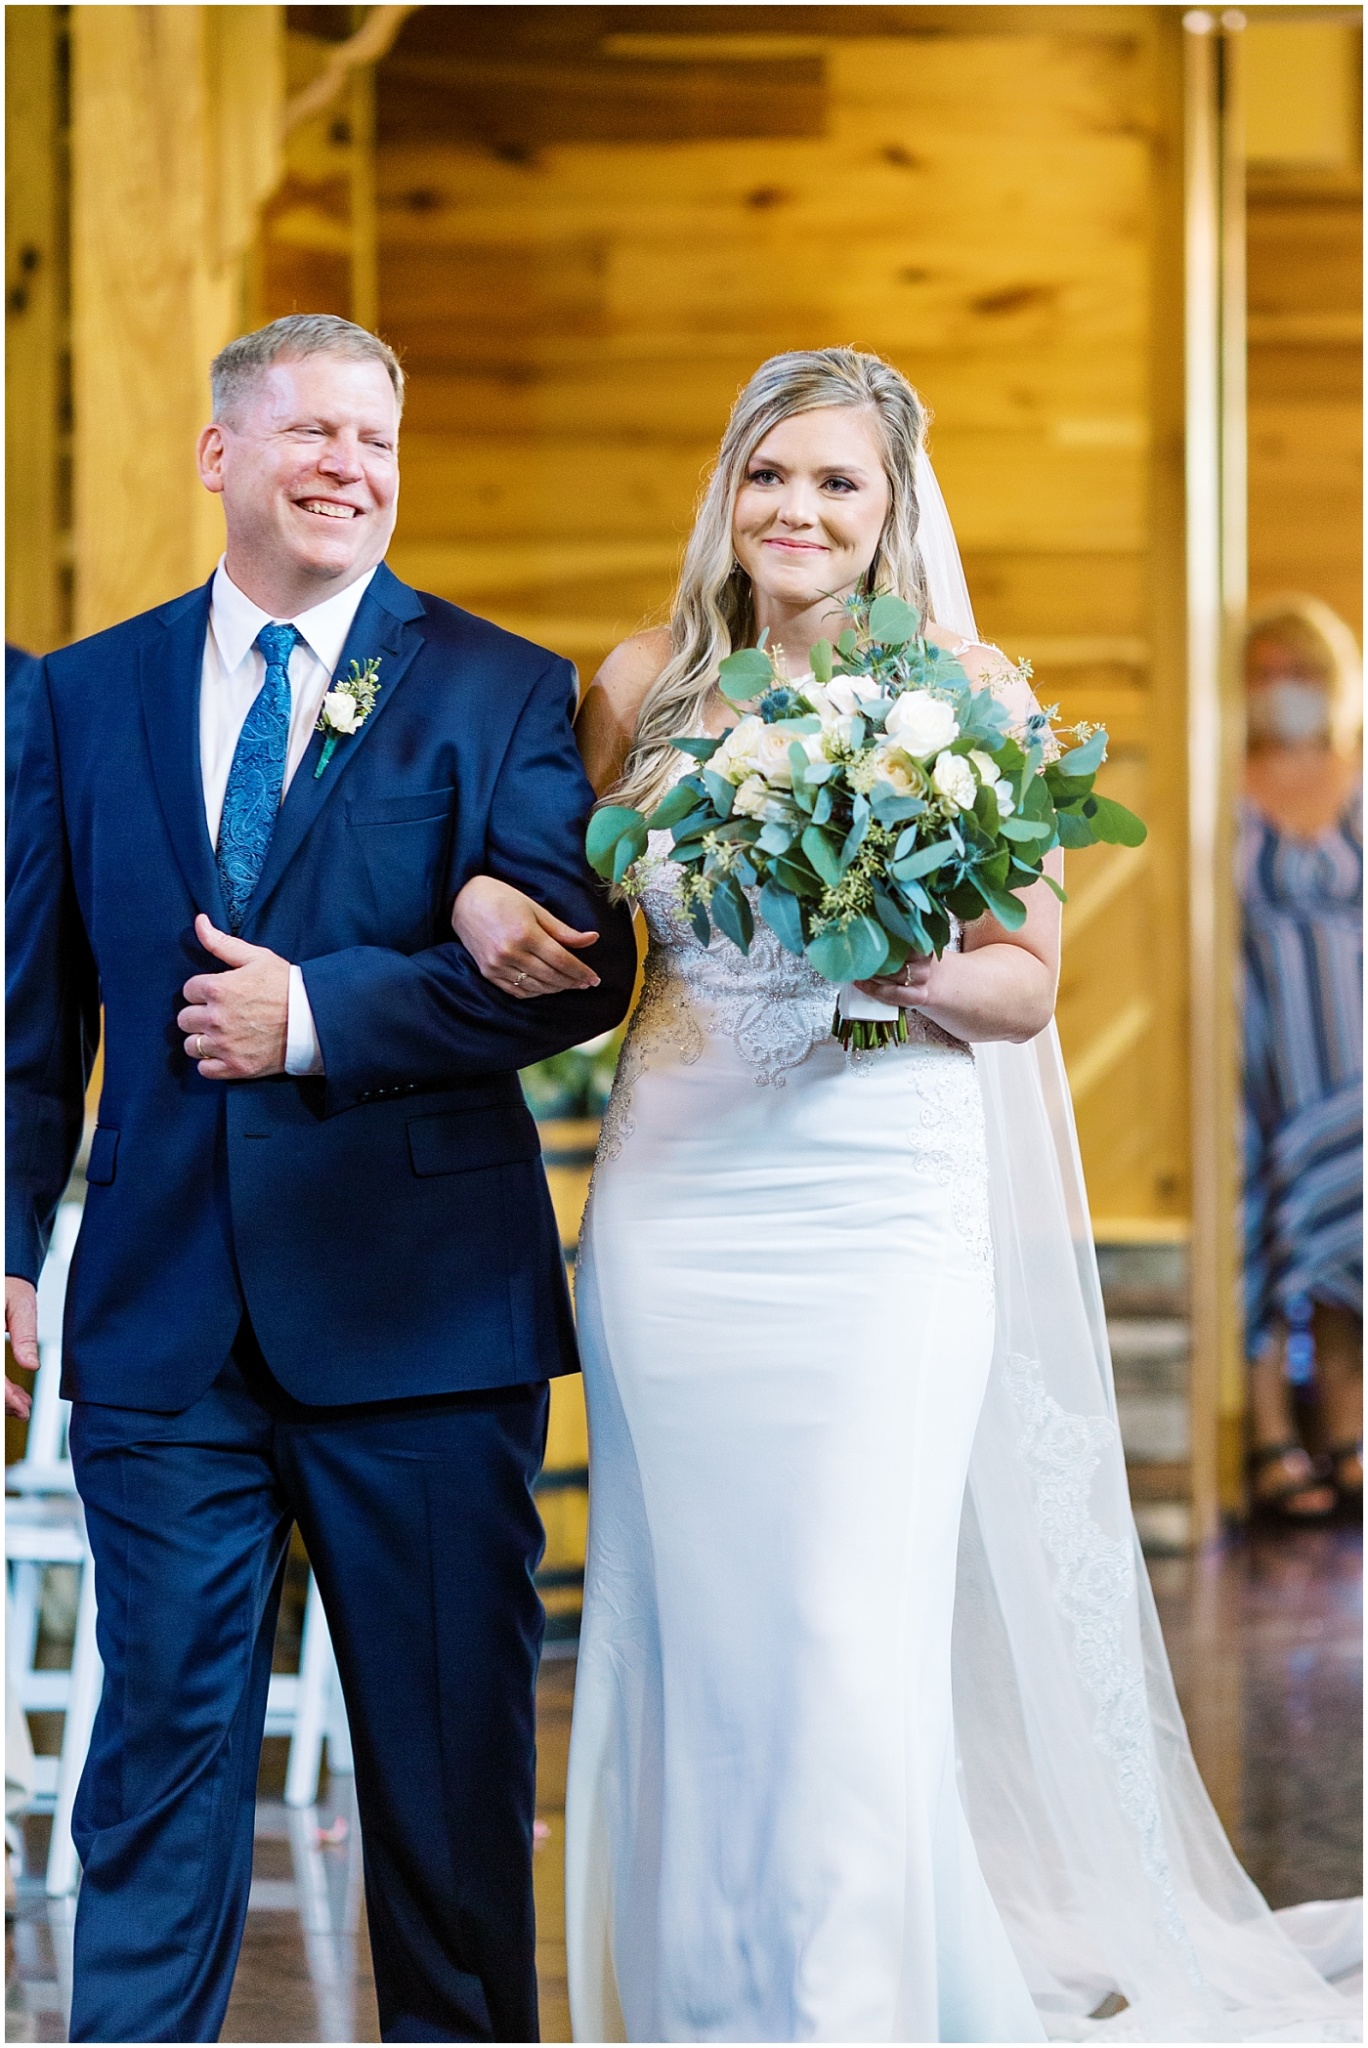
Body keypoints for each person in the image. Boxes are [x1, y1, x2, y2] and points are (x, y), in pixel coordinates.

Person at [451, 349, 1361, 2041]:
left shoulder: (964, 695)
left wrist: (863, 932)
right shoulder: (640, 684)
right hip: (676, 1201)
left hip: (874, 1200)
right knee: (700, 1623)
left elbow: (1022, 983)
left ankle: (844, 2004)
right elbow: (568, 929)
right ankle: (706, 1995)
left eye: (834, 482)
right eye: (766, 474)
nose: (793, 507)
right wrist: (478, 918)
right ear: (727, 492)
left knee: (841, 1624)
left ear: (890, 515)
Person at [5, 312, 637, 2043]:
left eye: (377, 439)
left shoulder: (497, 686)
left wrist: (316, 1015)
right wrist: (3, 1242)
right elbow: (30, 1012)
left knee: (443, 1793)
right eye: (314, 433)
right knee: (155, 1768)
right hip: (159, 1325)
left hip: (425, 1321)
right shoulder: (80, 692)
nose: (351, 466)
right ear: (221, 455)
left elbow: (582, 969)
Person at [1240, 598, 1362, 1522]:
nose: (1283, 690)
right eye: (1265, 671)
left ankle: (1348, 1424)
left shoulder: (1359, 775)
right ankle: (1268, 1428)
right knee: (1262, 1223)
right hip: (1255, 1048)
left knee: (1347, 1229)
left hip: (1352, 1051)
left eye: (1300, 671)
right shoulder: (1223, 782)